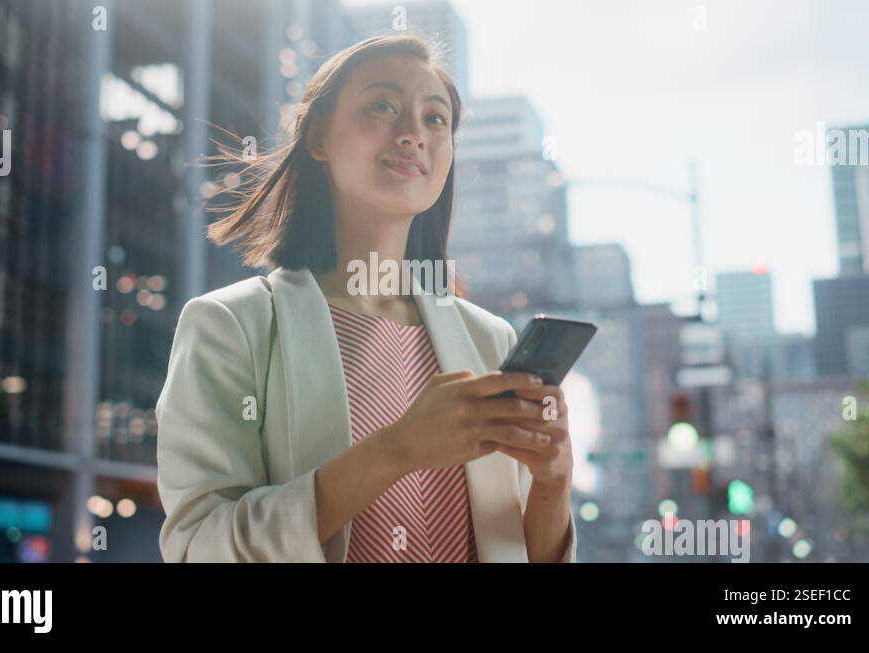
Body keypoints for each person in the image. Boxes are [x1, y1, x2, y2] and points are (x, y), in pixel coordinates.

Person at [156, 33, 576, 562]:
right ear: (318, 138)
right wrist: (397, 450)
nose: (412, 134)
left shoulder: (489, 338)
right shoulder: (231, 326)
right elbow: (199, 548)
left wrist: (553, 480)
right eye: (382, 106)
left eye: (435, 118)